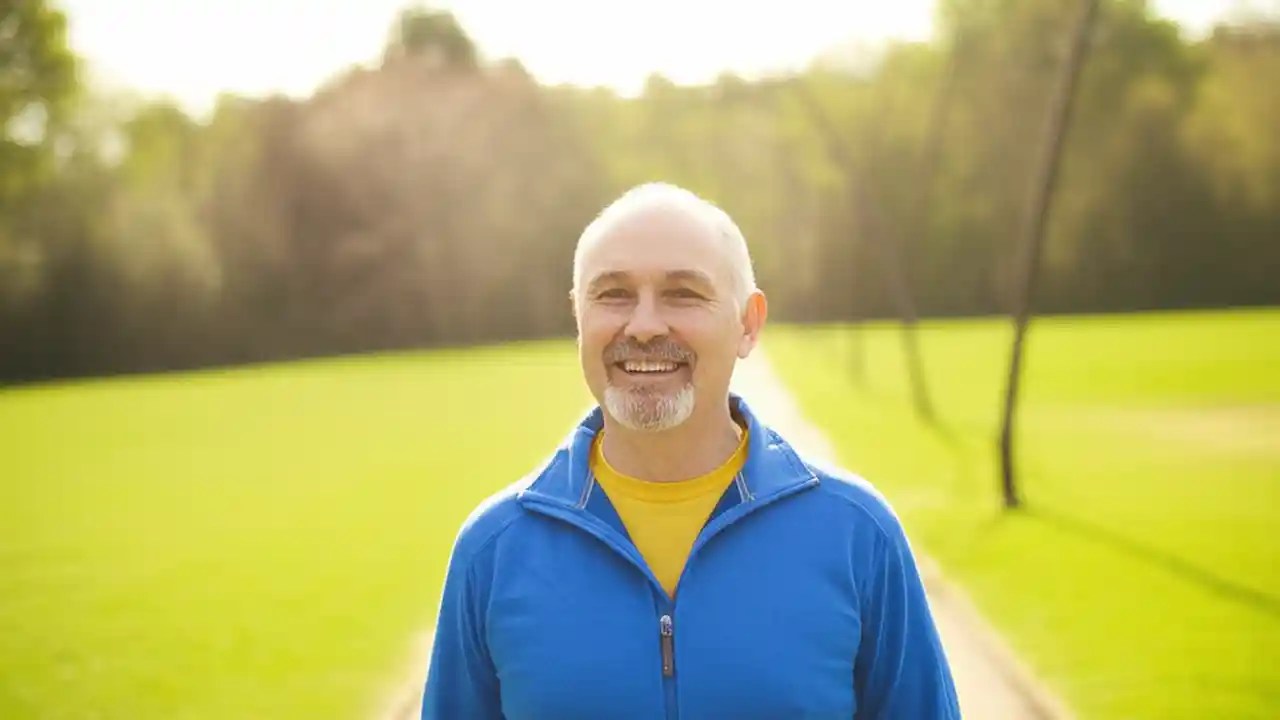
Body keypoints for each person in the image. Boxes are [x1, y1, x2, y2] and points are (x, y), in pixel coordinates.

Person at [421, 183, 960, 719]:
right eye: (613, 294)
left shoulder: (857, 535)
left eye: (683, 293)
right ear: (578, 317)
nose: (645, 325)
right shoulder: (494, 550)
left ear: (748, 324)